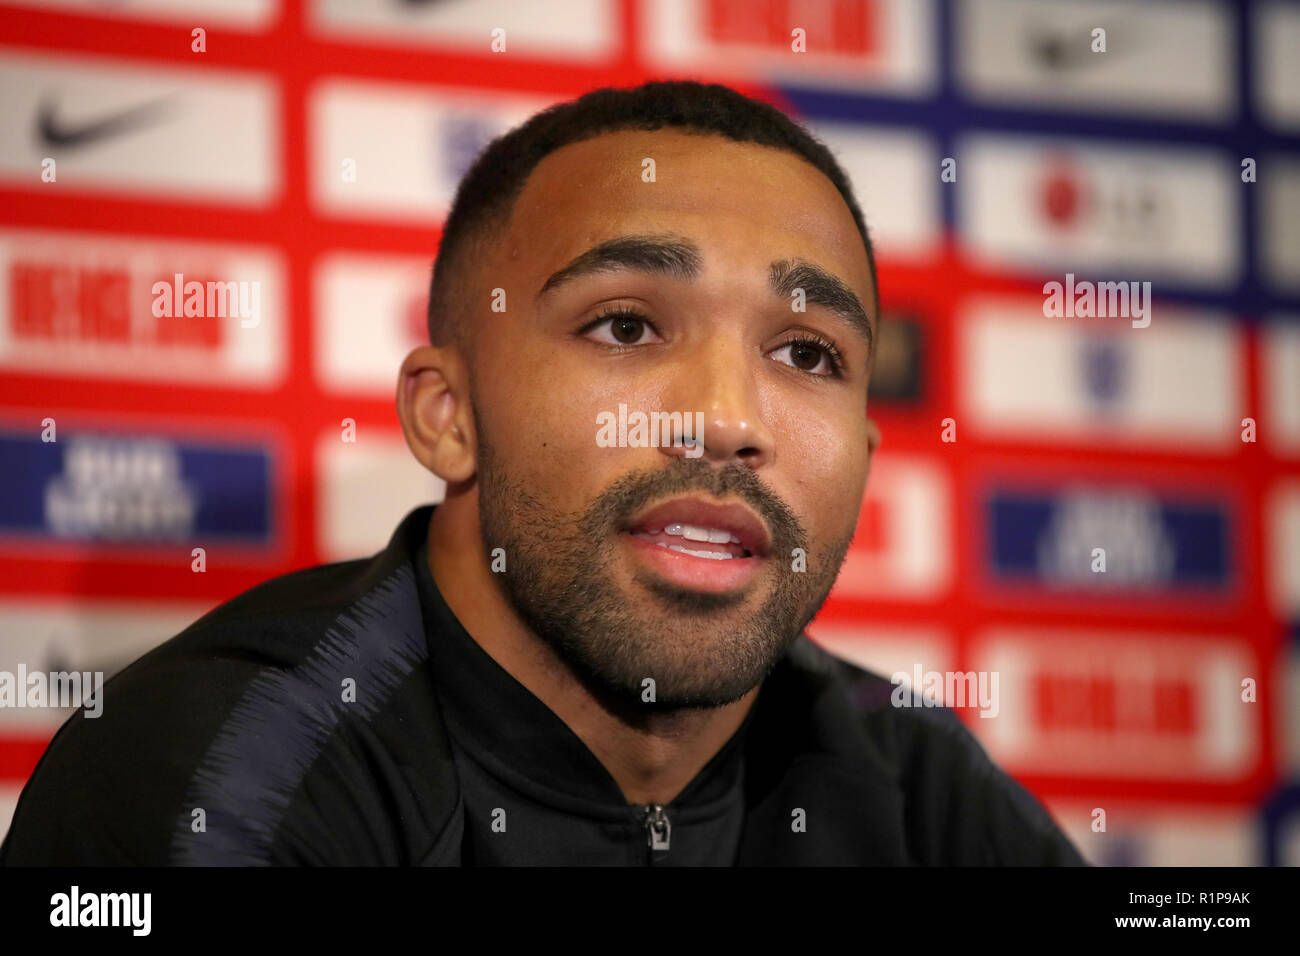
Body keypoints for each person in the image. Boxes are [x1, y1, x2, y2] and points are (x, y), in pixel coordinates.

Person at [1, 80, 1084, 866]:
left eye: (806, 354)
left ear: (865, 450)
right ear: (448, 415)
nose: (724, 419)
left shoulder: (910, 784)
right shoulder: (216, 772)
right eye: (624, 325)